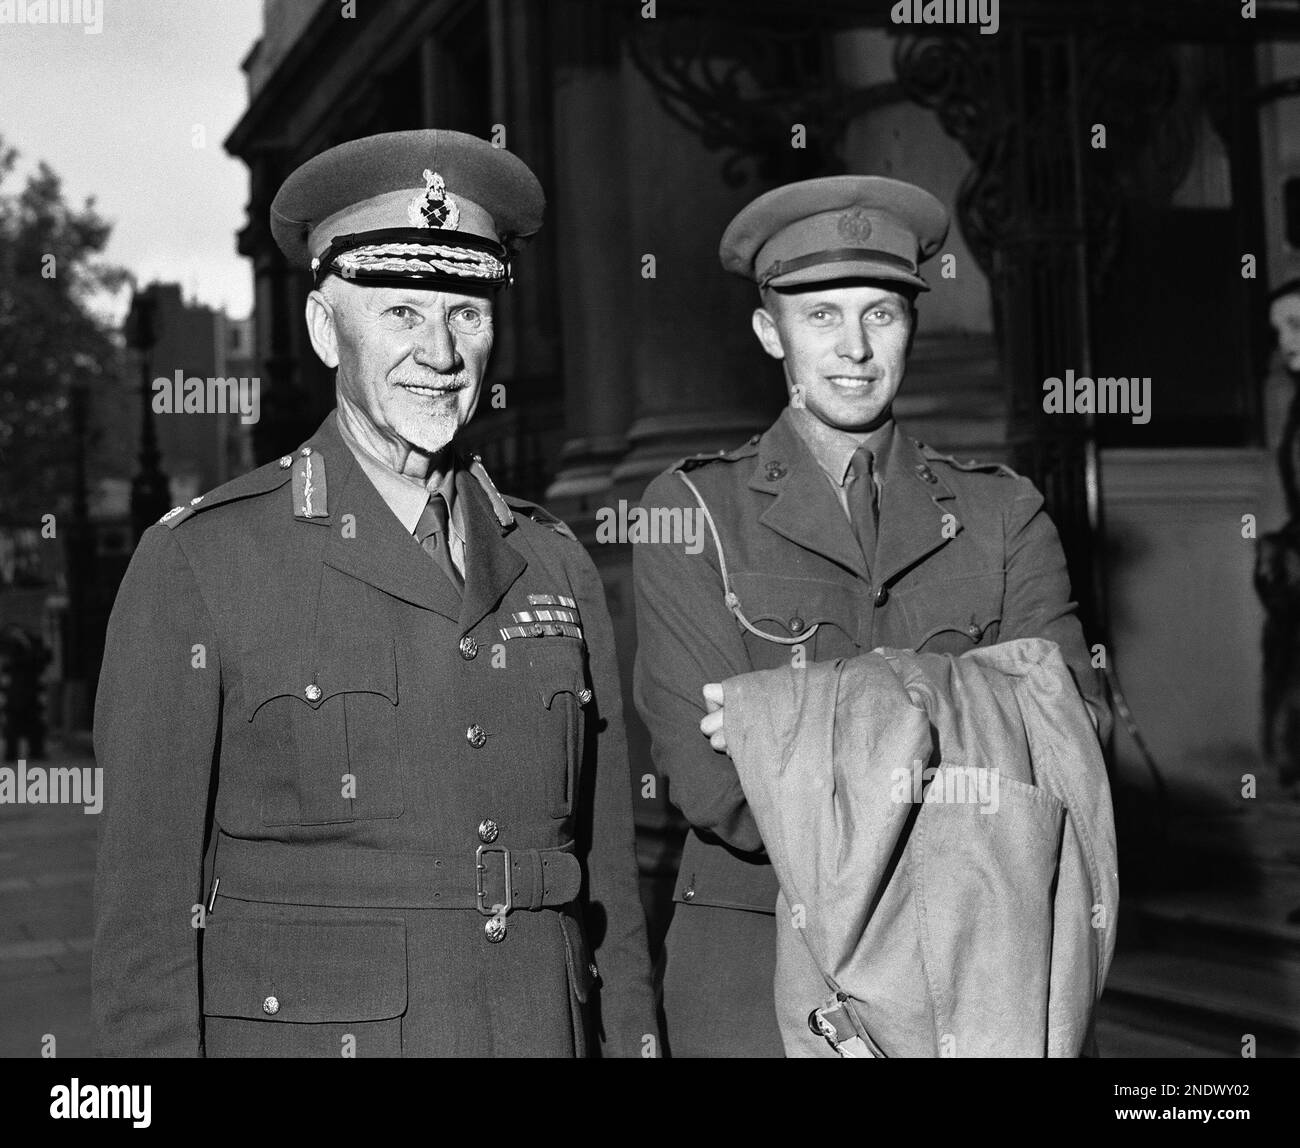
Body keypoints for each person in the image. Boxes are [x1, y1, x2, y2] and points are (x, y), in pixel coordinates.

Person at [93, 129, 657, 1057]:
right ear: (325, 328)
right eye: (399, 313)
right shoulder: (202, 563)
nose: (438, 352)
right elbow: (144, 932)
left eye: (466, 313)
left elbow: (610, 901)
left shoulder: (554, 562)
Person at [632, 175, 1111, 1057]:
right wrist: (968, 712)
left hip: (978, 964)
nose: (854, 348)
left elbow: (1074, 741)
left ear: (912, 326)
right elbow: (710, 786)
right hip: (760, 963)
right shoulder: (694, 513)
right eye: (821, 316)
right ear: (769, 330)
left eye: (881, 313)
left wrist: (796, 719)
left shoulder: (1003, 514)